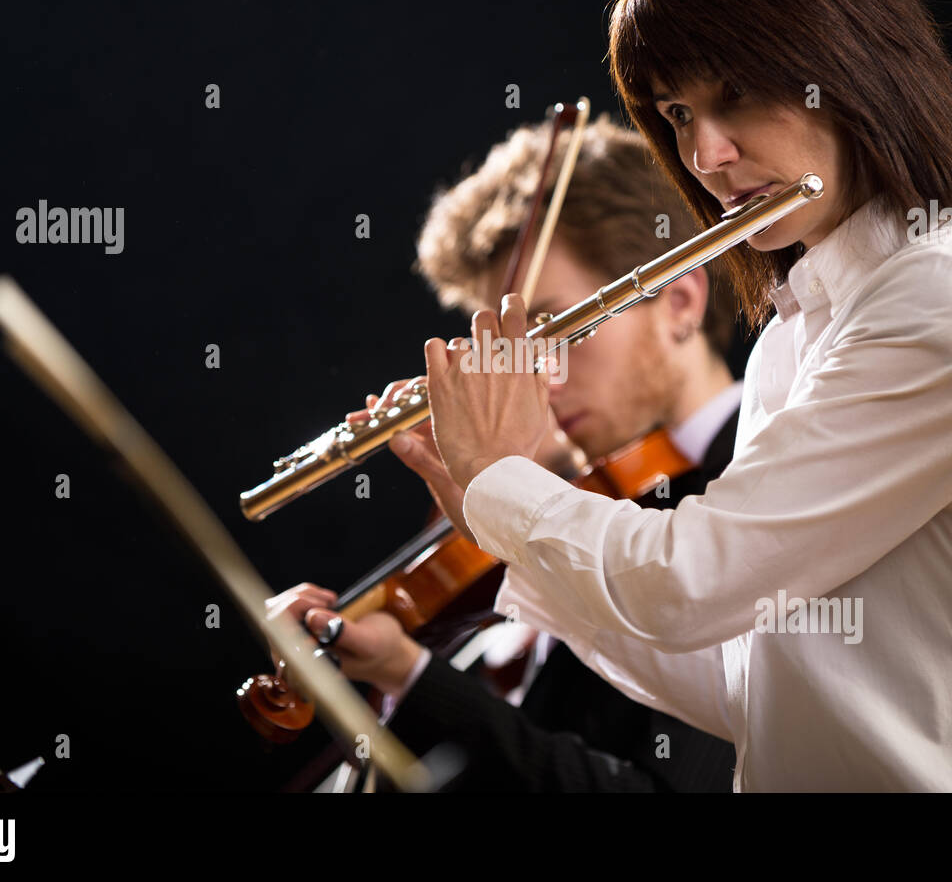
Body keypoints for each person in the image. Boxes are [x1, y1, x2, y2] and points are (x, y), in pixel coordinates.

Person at [353, 0, 952, 790]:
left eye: (739, 93)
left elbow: (690, 580)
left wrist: (509, 479)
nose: (705, 156)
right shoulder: (792, 340)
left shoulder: (947, 301)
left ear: (852, 58)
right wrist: (494, 513)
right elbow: (746, 685)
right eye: (680, 113)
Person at [271, 116, 741, 790]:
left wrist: (410, 673)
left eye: (559, 329)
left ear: (680, 304)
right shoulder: (571, 500)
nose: (537, 381)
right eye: (510, 355)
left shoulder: (753, 484)